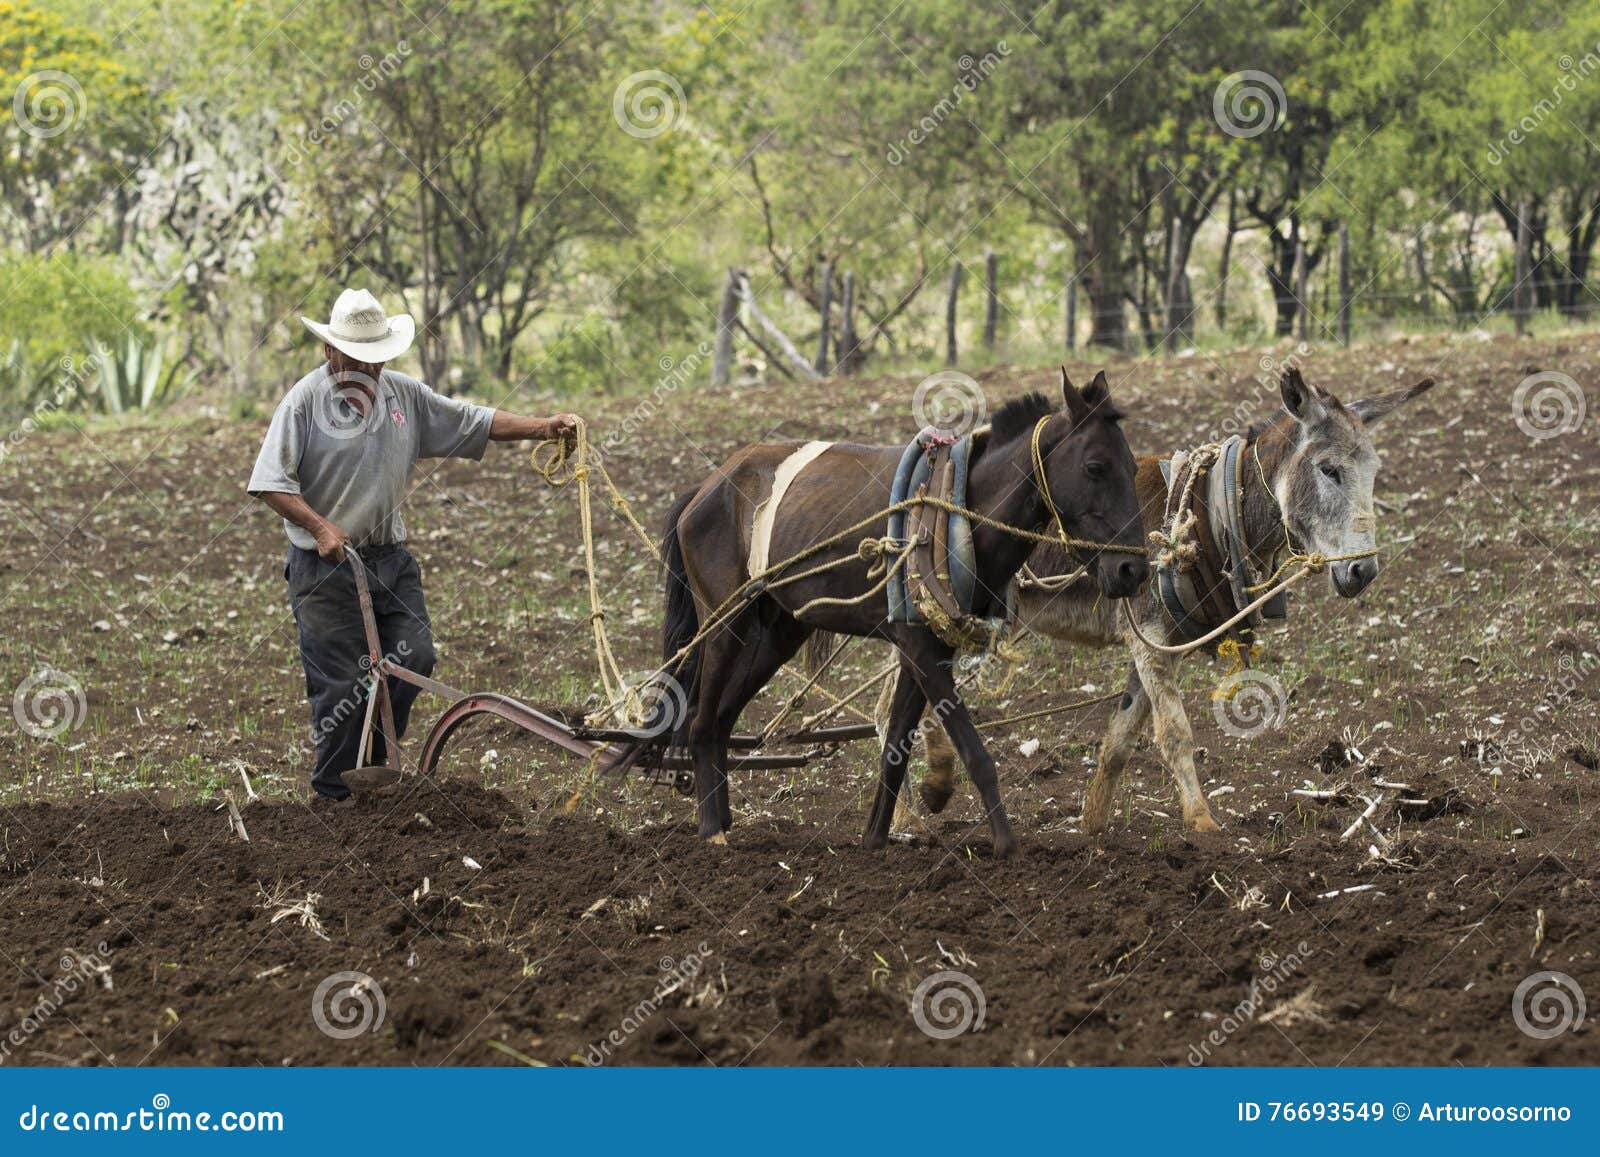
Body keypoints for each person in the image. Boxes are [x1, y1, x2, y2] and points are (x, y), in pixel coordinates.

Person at [248, 288, 578, 801]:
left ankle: (376, 757)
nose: (371, 371)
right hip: (326, 570)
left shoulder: (405, 396)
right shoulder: (304, 403)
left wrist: (545, 427)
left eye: (377, 360)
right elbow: (269, 480)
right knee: (343, 689)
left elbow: (474, 420)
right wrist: (321, 528)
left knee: (415, 657)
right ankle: (335, 799)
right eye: (358, 359)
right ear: (331, 352)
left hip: (390, 562)